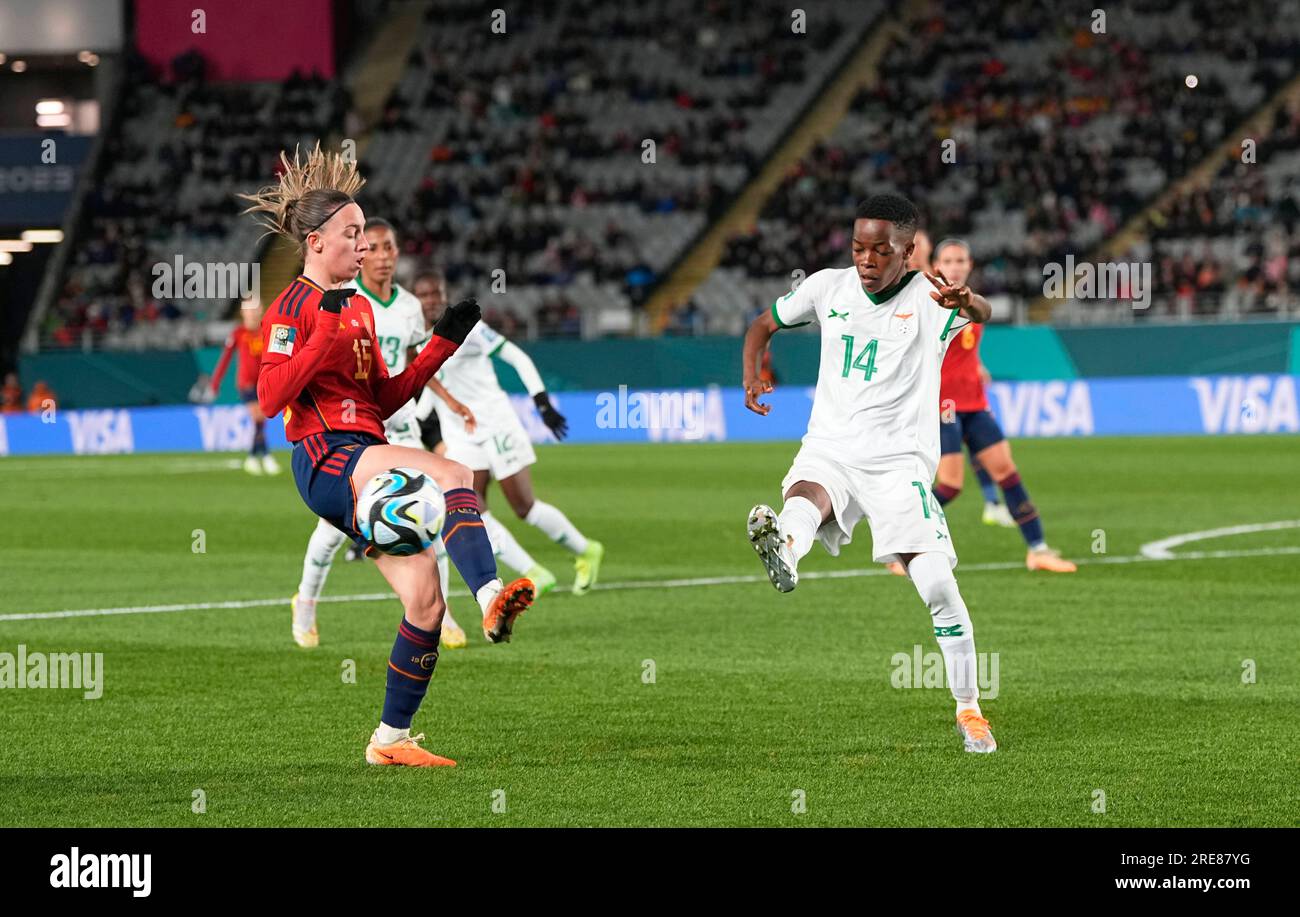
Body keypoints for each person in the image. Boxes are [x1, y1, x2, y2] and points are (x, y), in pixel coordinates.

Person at [240, 144, 535, 767]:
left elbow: (383, 395)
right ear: (317, 242)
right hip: (324, 459)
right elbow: (270, 397)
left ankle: (389, 741)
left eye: (367, 238)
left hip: (363, 450)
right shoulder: (292, 308)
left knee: (424, 598)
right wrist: (320, 335)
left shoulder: (357, 309)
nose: (365, 249)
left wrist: (441, 346)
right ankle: (489, 600)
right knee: (455, 471)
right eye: (353, 236)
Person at [741, 193, 997, 753]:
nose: (866, 258)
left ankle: (970, 709)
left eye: (881, 250)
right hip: (831, 445)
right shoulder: (826, 287)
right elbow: (763, 324)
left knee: (936, 585)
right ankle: (783, 547)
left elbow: (985, 314)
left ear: (908, 251)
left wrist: (968, 299)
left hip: (898, 461)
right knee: (805, 495)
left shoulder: (933, 299)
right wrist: (753, 375)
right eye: (858, 247)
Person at [288, 220, 480, 651]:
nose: (382, 254)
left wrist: (446, 399)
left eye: (389, 246)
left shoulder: (409, 306)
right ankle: (306, 601)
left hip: (396, 423)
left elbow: (412, 362)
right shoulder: (343, 300)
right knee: (332, 532)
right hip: (350, 434)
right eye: (372, 246)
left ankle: (441, 611)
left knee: (430, 510)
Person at [425, 273, 604, 596]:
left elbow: (518, 358)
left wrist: (542, 402)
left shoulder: (470, 328)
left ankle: (586, 550)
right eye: (423, 294)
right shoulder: (414, 338)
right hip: (461, 435)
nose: (431, 300)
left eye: (436, 292)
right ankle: (533, 571)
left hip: (496, 424)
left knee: (524, 507)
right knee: (470, 508)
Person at [924, 239, 1076, 573]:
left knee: (1007, 474)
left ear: (970, 264)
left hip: (974, 402)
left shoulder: (971, 300)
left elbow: (965, 344)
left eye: (960, 259)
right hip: (943, 404)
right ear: (937, 264)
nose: (955, 265)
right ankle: (899, 543)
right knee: (949, 485)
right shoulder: (928, 301)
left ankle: (1038, 550)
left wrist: (976, 368)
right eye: (948, 260)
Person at [908, 231, 1011, 527]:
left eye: (919, 247)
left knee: (982, 451)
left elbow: (963, 336)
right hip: (938, 397)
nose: (914, 252)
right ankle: (905, 523)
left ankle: (993, 503)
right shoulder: (919, 290)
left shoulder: (954, 292)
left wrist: (977, 365)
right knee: (948, 481)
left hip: (966, 392)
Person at [209, 299, 278, 474]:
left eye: (255, 309)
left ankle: (254, 457)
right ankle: (266, 456)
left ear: (261, 310)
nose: (253, 313)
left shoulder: (267, 330)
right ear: (243, 313)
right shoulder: (238, 333)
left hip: (265, 383)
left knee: (261, 420)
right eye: (249, 310)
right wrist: (215, 382)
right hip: (246, 384)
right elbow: (225, 359)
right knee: (258, 418)